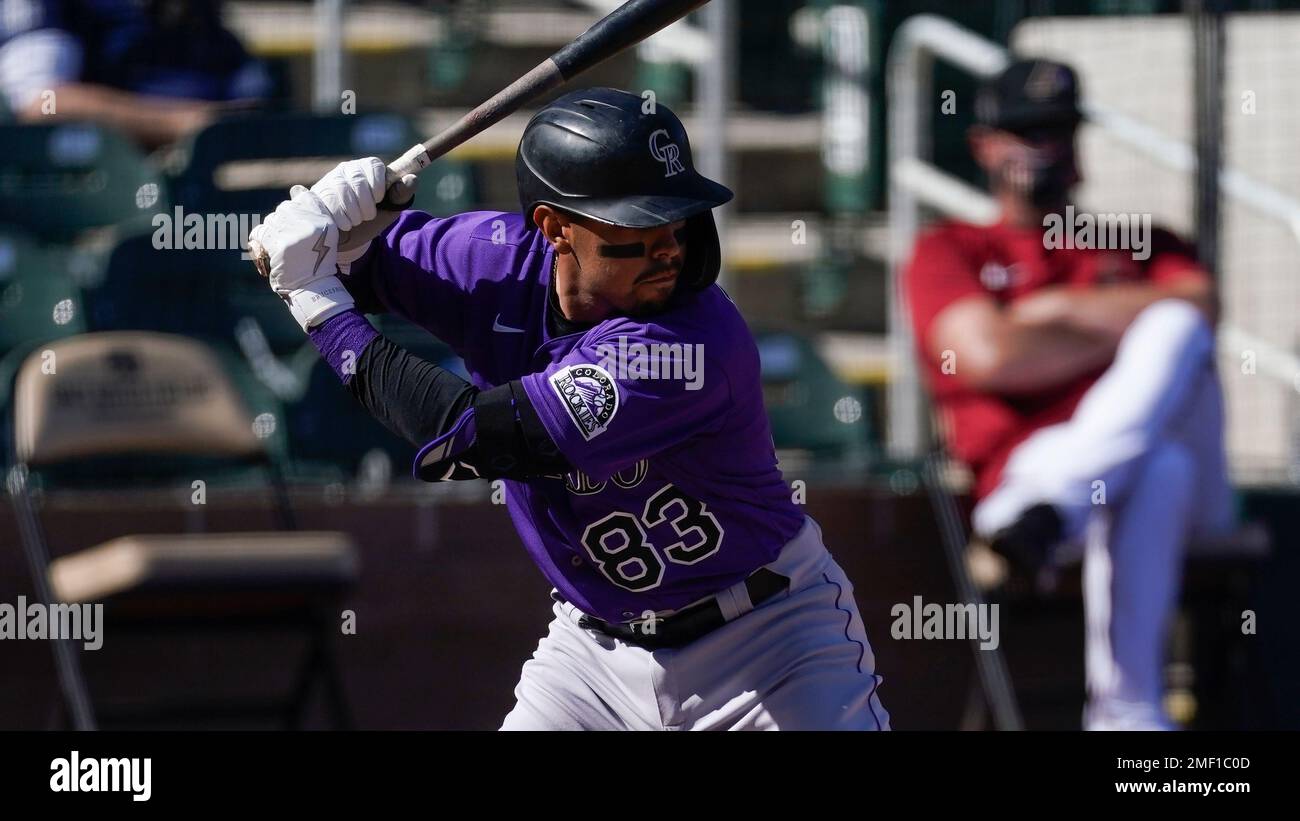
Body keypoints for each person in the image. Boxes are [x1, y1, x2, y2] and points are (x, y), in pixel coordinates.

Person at [248, 87, 890, 731]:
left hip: (770, 643)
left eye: (678, 221)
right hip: (595, 654)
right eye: (636, 227)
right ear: (554, 227)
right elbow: (295, 257)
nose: (667, 248)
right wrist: (334, 229)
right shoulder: (487, 260)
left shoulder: (690, 343)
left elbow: (469, 440)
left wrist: (319, 303)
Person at [904, 58, 1232, 730]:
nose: (1038, 148)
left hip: (1038, 518)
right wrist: (1118, 327)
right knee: (1157, 464)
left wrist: (1045, 313)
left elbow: (1198, 309)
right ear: (982, 146)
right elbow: (986, 357)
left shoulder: (1144, 242)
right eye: (1020, 130)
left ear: (1077, 144)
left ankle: (1056, 497)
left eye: (1054, 130)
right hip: (1018, 479)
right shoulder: (949, 248)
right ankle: (1129, 715)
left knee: (1173, 328)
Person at [0, 0, 269, 147]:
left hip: (220, 172)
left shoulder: (205, 22)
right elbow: (41, 103)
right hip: (111, 187)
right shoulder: (58, 10)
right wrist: (185, 124)